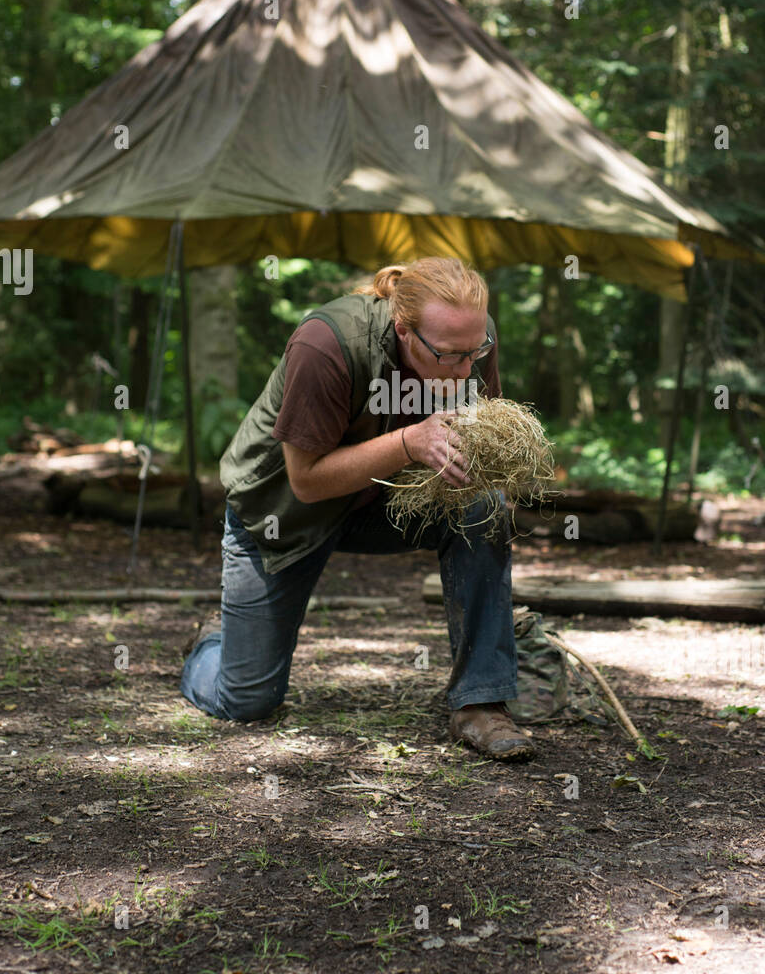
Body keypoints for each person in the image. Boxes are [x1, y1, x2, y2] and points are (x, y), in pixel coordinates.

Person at [180, 256, 534, 761]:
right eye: (451, 356)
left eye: (474, 353)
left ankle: (481, 702)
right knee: (246, 702)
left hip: (379, 500)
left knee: (483, 507)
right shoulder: (326, 344)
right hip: (285, 512)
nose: (465, 369)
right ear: (404, 329)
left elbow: (481, 431)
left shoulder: (469, 339)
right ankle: (213, 650)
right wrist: (412, 441)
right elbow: (305, 482)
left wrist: (489, 470)